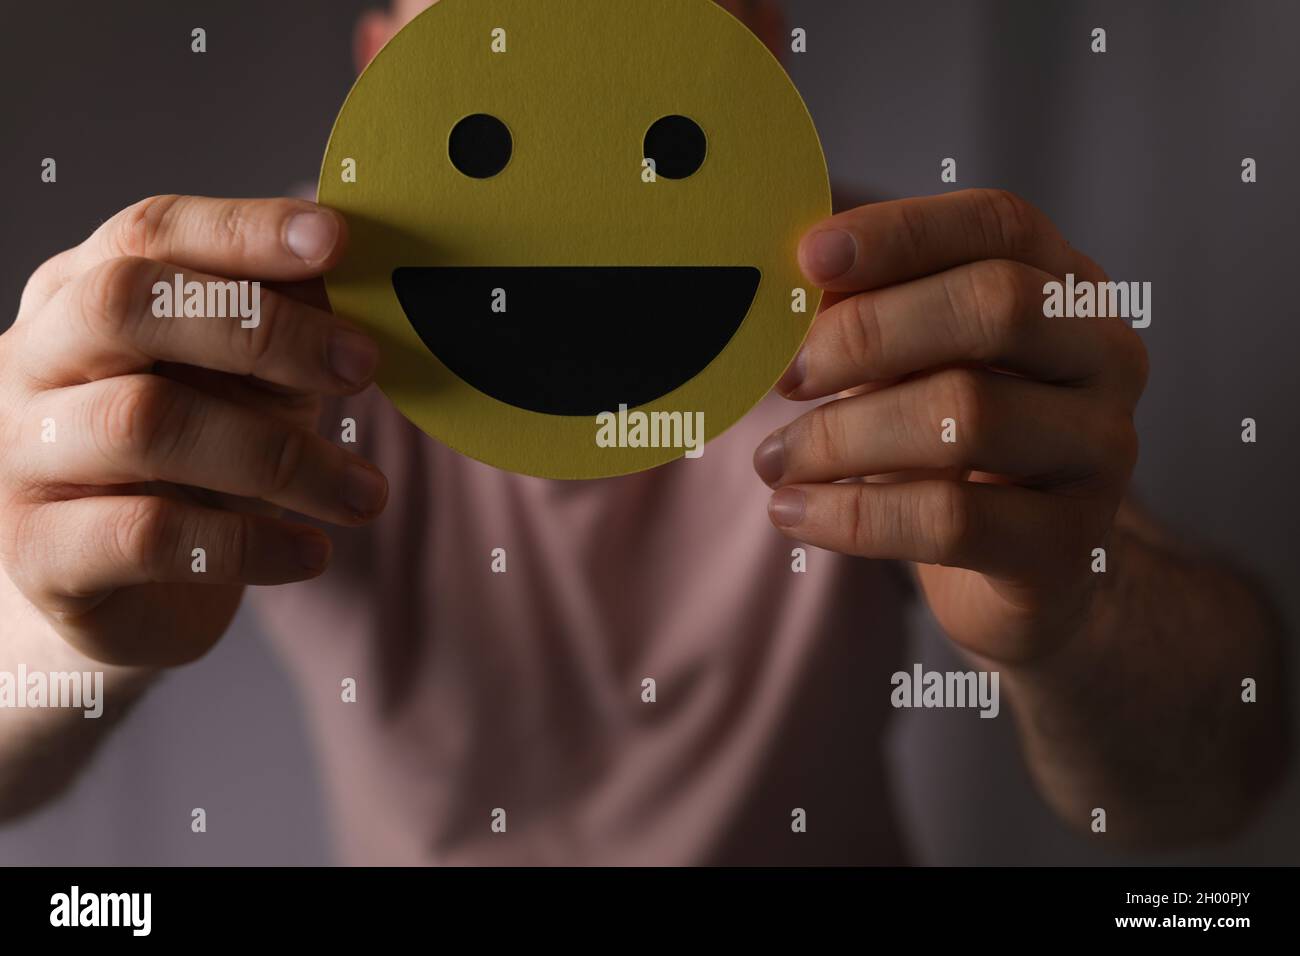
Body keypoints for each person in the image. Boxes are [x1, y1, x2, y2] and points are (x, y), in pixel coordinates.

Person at [0, 0, 1287, 864]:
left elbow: (1217, 776)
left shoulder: (890, 307)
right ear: (385, 51)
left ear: (761, 38)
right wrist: (61, 623)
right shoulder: (251, 330)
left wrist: (1072, 607)